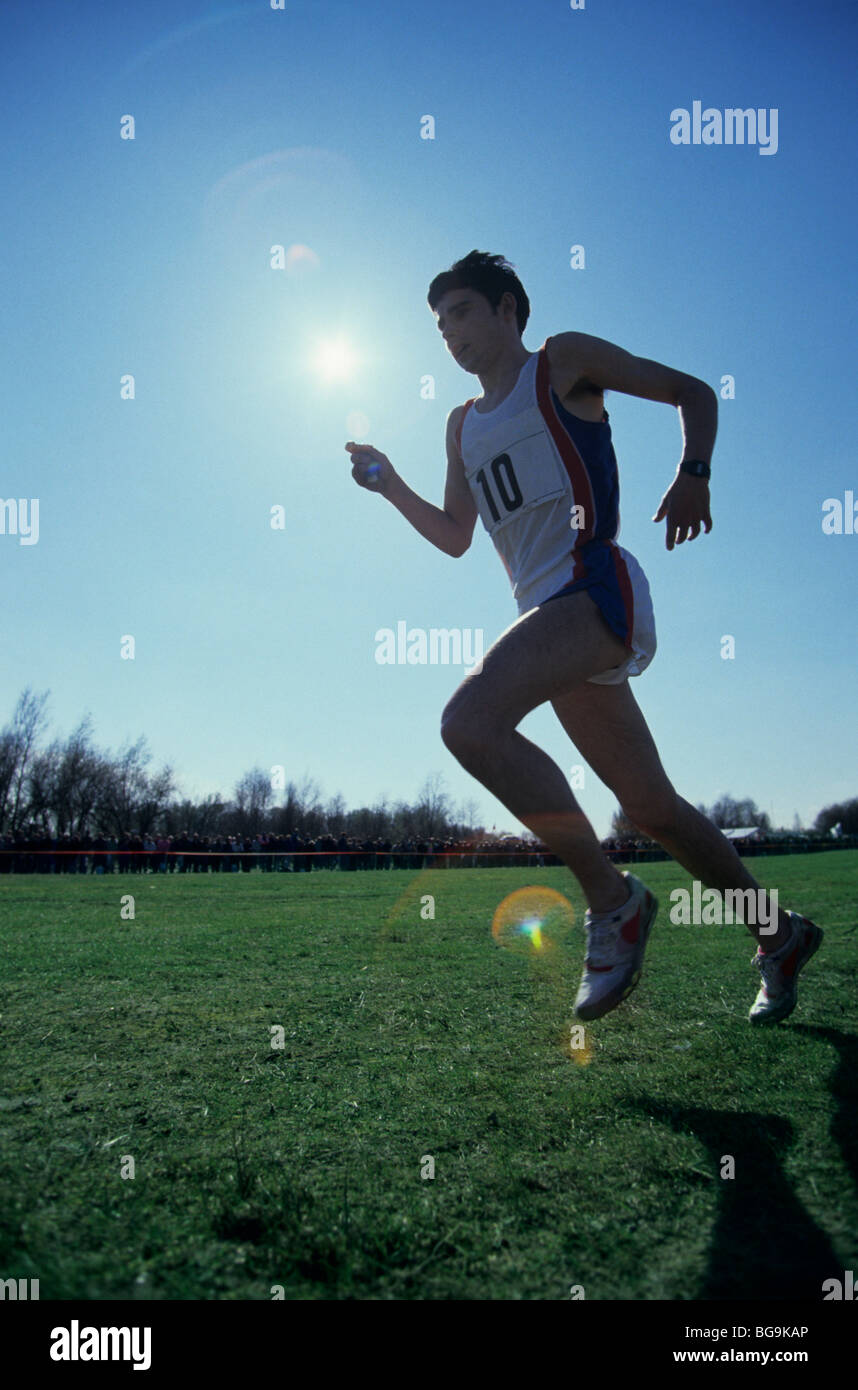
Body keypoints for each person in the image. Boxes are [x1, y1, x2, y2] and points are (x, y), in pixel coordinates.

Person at [346, 250, 822, 1025]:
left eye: (462, 311)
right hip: (546, 618)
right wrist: (389, 483)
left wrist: (695, 468)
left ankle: (614, 901)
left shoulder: (562, 364)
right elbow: (455, 535)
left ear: (508, 311)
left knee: (469, 722)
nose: (449, 333)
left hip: (594, 588)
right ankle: (780, 934)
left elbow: (691, 392)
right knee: (652, 808)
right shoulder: (459, 425)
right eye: (438, 325)